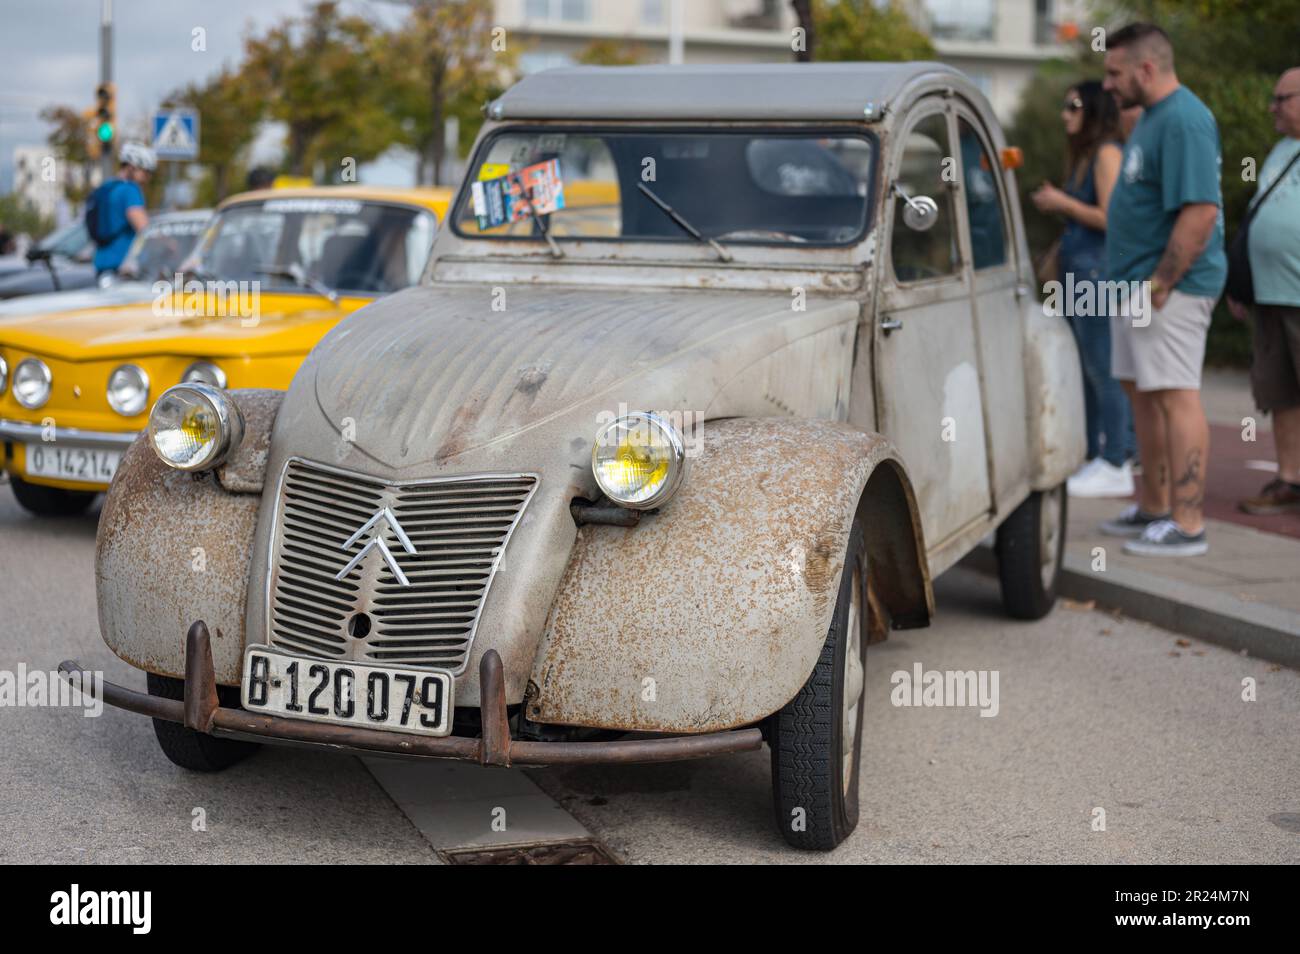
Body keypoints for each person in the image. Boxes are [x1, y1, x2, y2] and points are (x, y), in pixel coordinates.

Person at [1100, 22, 1227, 556]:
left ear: (1146, 70)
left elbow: (1200, 211)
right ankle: (1154, 507)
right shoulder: (1153, 118)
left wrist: (1163, 282)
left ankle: (1188, 523)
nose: (1107, 84)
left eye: (1114, 73)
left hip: (1169, 287)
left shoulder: (1184, 120)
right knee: (1145, 397)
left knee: (1175, 396)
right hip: (1135, 285)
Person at [1032, 81, 1135, 497]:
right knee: (1085, 368)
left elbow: (1113, 219)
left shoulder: (1108, 153)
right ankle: (1096, 455)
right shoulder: (1085, 156)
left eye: (1073, 105)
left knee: (1103, 369)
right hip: (1079, 273)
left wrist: (1061, 203)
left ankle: (1118, 460)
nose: (1065, 113)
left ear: (1093, 110)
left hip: (1097, 275)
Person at [1229, 67, 1300, 515]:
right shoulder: (1280, 150)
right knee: (1280, 392)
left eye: (1282, 98)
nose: (1272, 106)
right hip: (1270, 293)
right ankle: (1289, 481)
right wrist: (1242, 282)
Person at [88, 141, 155, 276]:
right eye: (145, 172)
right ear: (132, 167)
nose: (147, 178)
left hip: (101, 262)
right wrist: (169, 242)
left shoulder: (108, 187)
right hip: (123, 266)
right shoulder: (130, 190)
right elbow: (144, 229)